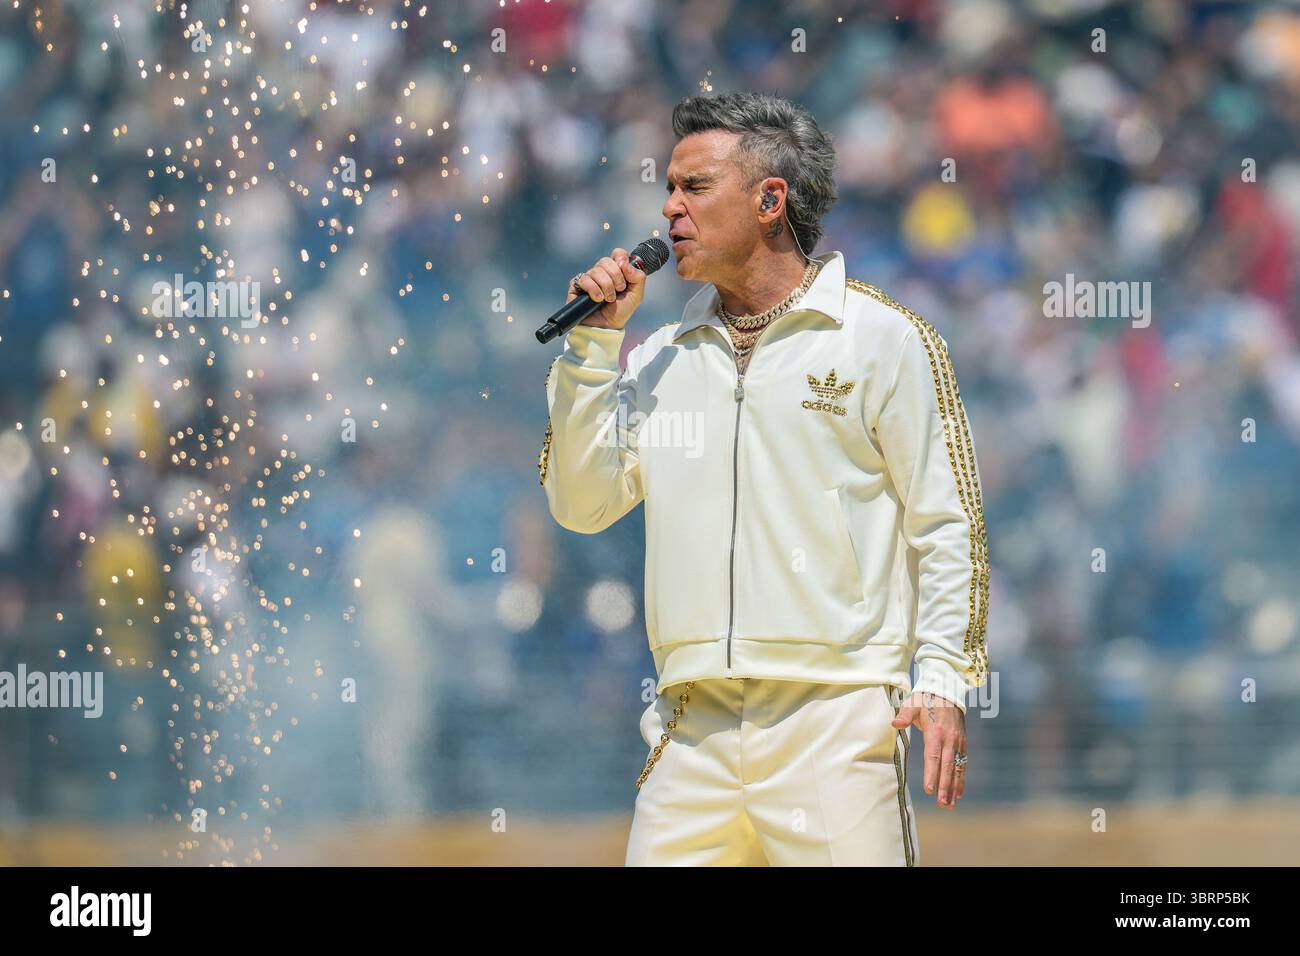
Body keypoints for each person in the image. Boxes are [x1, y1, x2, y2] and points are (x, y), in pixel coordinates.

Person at [539, 91, 990, 866]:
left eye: (695, 187)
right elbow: (581, 506)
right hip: (689, 726)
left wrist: (944, 675)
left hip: (840, 723)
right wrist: (590, 352)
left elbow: (948, 524)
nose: (669, 210)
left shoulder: (882, 339)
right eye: (668, 190)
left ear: (769, 200)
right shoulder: (658, 357)